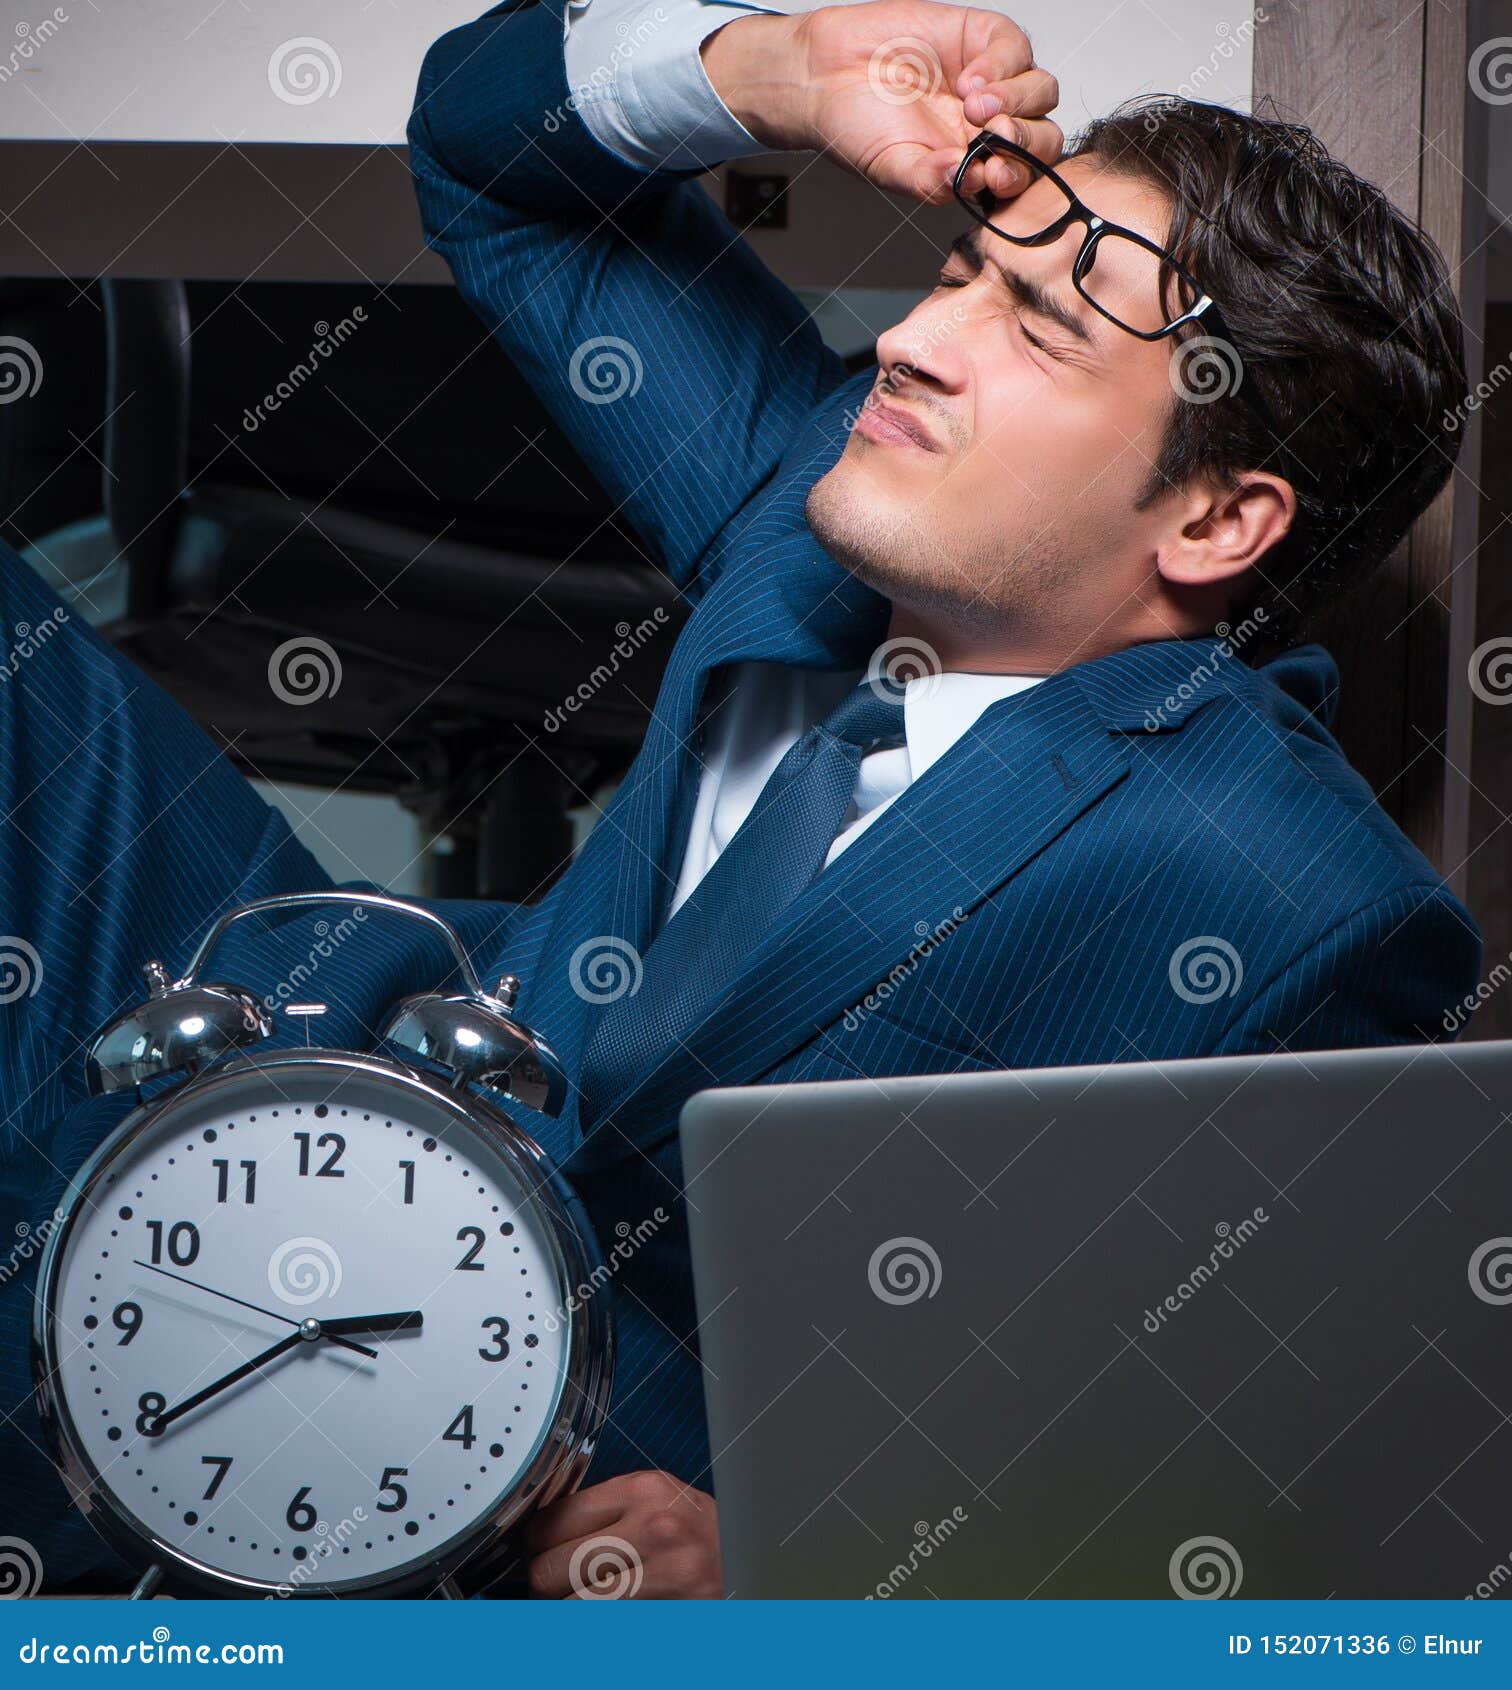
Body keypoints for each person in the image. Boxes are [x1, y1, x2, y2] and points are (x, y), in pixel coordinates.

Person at [0, 0, 1481, 1600]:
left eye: (1041, 327)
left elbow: (1270, 1510)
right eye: (962, 272)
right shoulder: (821, 486)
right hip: (310, 1047)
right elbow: (493, 168)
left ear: (1218, 518)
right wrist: (770, 72)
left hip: (494, 1455)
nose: (913, 338)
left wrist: (796, 1564)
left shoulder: (1291, 900)